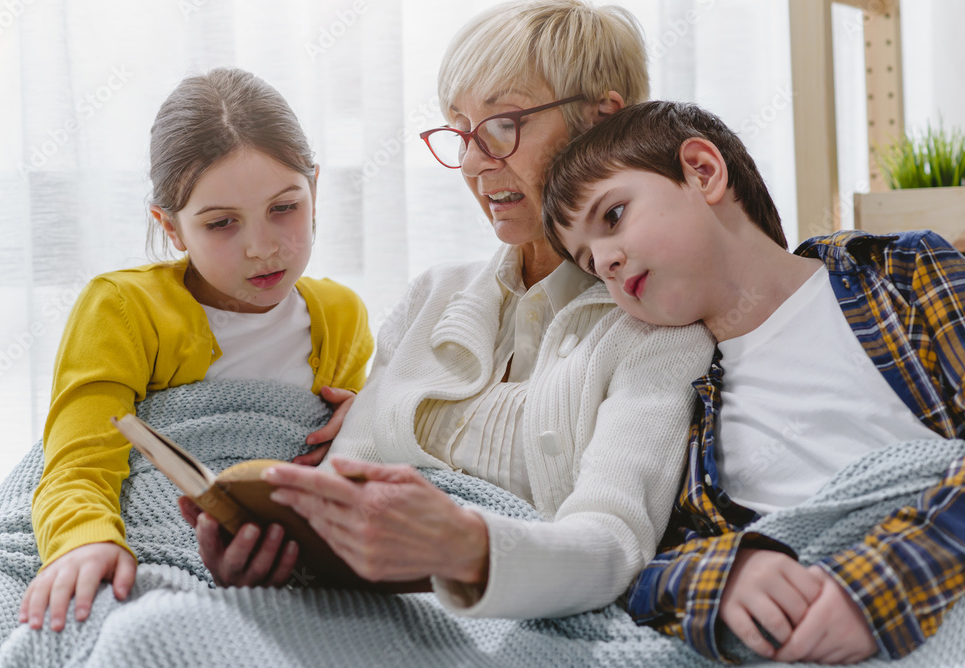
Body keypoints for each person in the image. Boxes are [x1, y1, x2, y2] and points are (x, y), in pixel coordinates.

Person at [186, 0, 714, 617]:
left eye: (502, 124)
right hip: (362, 611)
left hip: (504, 630)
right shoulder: (431, 296)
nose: (470, 163)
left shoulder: (657, 328)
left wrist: (463, 546)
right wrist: (271, 556)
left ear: (601, 122)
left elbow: (611, 546)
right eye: (460, 130)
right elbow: (347, 486)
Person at [542, 100, 965, 664]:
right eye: (589, 264)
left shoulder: (905, 274)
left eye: (613, 216)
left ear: (703, 171)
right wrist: (733, 573)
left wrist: (882, 586)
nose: (606, 263)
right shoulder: (682, 401)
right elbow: (648, 568)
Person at [20, 68, 373, 632]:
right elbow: (79, 463)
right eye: (221, 223)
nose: (262, 248)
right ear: (172, 227)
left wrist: (372, 425)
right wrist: (83, 545)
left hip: (281, 562)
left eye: (285, 207)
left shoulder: (341, 316)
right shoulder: (121, 307)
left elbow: (337, 474)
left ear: (315, 189)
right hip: (149, 535)